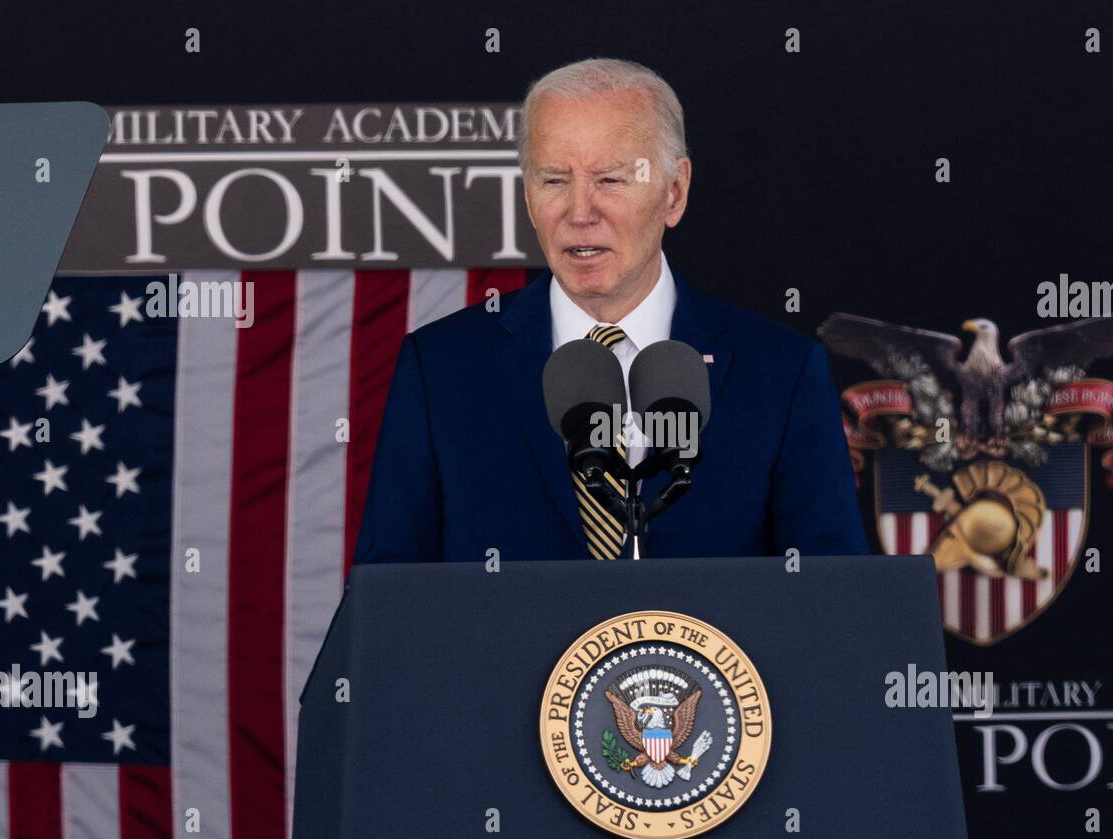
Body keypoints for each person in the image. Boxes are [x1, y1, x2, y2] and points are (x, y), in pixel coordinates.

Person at [353, 57, 868, 562]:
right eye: (554, 180)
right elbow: (388, 602)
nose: (580, 212)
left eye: (611, 180)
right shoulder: (442, 367)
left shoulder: (781, 372)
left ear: (675, 191)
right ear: (528, 197)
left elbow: (831, 602)